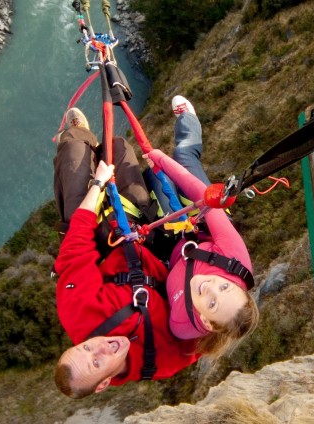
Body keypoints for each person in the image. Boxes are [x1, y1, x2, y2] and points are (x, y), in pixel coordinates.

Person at [53, 99, 258, 398]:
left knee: (82, 161)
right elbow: (214, 330)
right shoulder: (165, 359)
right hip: (163, 241)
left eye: (86, 347)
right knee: (126, 152)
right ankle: (178, 130)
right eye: (97, 362)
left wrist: (97, 186)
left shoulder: (79, 315)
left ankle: (77, 137)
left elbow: (74, 252)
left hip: (114, 249)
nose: (100, 347)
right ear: (103, 384)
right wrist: (160, 162)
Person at [144, 96, 258, 354]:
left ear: (206, 321)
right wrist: (163, 160)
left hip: (173, 243)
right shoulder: (234, 257)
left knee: (152, 176)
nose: (211, 287)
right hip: (204, 223)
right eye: (226, 286)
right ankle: (189, 119)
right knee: (183, 156)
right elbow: (201, 193)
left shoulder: (182, 323)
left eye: (213, 303)